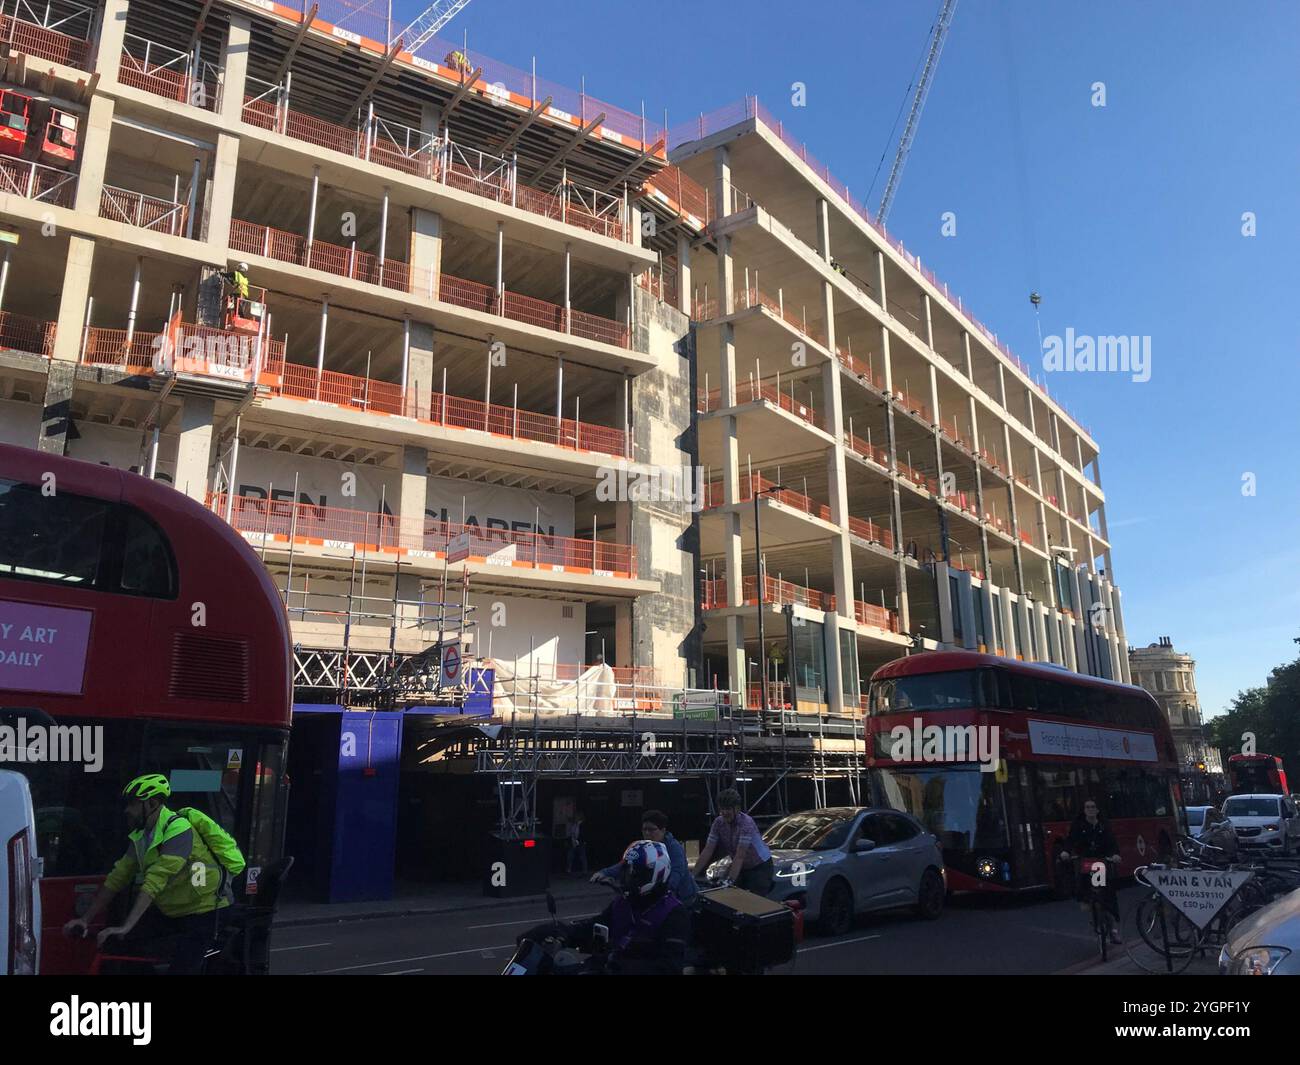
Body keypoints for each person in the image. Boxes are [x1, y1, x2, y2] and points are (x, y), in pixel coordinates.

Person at [62, 774, 241, 974]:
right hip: (173, 910)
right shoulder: (141, 836)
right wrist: (85, 919)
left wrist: (126, 926)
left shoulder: (179, 830)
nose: (126, 810)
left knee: (182, 969)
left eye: (133, 804)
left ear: (152, 803)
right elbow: (117, 878)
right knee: (122, 946)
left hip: (207, 911)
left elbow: (155, 880)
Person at [535, 840, 689, 975]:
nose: (628, 878)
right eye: (627, 871)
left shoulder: (673, 913)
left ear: (655, 874)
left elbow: (669, 967)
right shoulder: (624, 903)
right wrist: (561, 932)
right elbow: (595, 925)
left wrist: (617, 967)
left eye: (635, 873)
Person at [593, 809, 697, 904]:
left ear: (663, 830)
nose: (647, 833)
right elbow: (628, 862)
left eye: (652, 829)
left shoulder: (673, 847)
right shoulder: (645, 847)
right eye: (644, 829)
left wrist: (662, 890)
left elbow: (677, 872)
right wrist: (605, 873)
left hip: (681, 899)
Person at [1059, 797, 1122, 944]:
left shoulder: (1103, 825)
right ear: (1084, 810)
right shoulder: (1078, 825)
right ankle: (1087, 903)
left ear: (1097, 810)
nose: (1090, 809)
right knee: (1083, 886)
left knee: (1107, 895)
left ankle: (1113, 929)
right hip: (1086, 861)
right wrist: (1065, 852)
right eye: (1087, 807)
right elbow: (1070, 840)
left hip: (1101, 861)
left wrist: (1115, 854)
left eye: (1093, 807)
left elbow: (1112, 842)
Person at [692, 788, 774, 896]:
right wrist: (692, 876)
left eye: (728, 809)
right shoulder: (718, 823)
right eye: (722, 809)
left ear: (737, 808)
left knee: (754, 902)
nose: (724, 812)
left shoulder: (746, 823)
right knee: (727, 896)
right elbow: (708, 850)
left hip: (760, 866)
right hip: (742, 866)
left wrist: (729, 881)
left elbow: (740, 856)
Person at [566, 811, 587, 876]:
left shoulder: (582, 824)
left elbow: (583, 834)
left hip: (580, 842)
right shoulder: (574, 824)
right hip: (573, 841)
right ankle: (568, 869)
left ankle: (584, 870)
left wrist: (581, 840)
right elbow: (571, 833)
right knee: (570, 856)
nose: (575, 818)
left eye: (577, 816)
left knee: (582, 856)